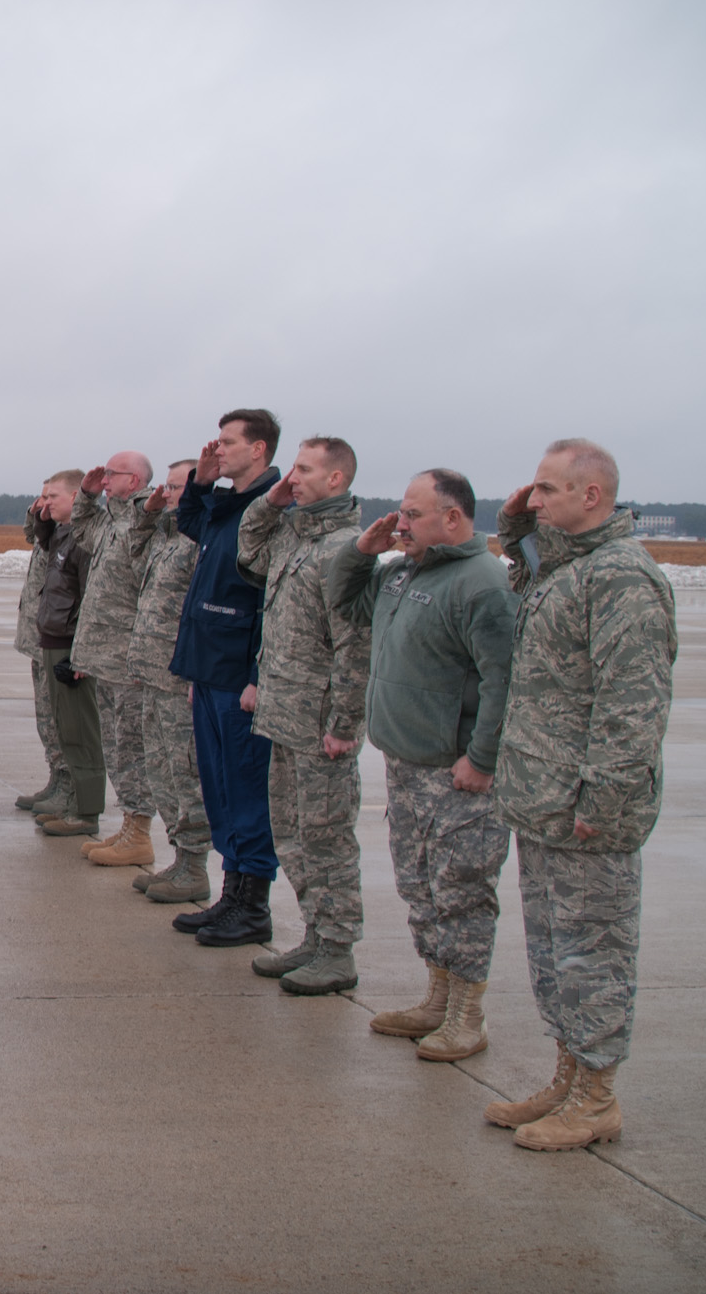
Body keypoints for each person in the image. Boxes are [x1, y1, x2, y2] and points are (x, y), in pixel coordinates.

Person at [486, 439, 676, 1151]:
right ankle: (567, 1074)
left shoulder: (622, 578)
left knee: (593, 955)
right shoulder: (571, 569)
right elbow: (529, 566)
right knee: (553, 954)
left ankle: (598, 1095)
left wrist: (605, 803)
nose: (533, 501)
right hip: (543, 802)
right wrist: (519, 524)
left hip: (587, 813)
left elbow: (633, 705)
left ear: (590, 496)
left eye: (546, 490)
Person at [331, 468, 516, 1057]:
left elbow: (502, 681)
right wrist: (363, 550)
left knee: (460, 891)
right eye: (402, 513)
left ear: (453, 519)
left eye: (413, 514)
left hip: (456, 773)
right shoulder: (402, 572)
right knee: (420, 888)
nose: (400, 523)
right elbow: (346, 601)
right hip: (406, 764)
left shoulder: (483, 583)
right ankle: (437, 997)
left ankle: (467, 1014)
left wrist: (481, 758)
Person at [234, 437, 370, 992]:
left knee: (328, 839)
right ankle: (315, 936)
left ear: (336, 479)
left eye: (305, 469)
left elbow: (354, 648)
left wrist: (344, 725)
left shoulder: (344, 549)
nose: (294, 476)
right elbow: (248, 550)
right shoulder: (295, 535)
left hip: (319, 726)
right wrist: (271, 502)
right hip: (285, 716)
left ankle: (338, 949)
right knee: (292, 835)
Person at [169, 409, 281, 946]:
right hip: (209, 668)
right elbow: (191, 522)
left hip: (239, 674)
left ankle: (253, 906)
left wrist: (258, 676)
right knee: (218, 787)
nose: (219, 448)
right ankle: (230, 896)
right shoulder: (229, 505)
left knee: (244, 789)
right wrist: (202, 480)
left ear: (258, 449)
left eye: (229, 442)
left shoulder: (271, 510)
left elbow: (271, 604)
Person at [127, 460, 216, 903]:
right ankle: (180, 858)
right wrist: (151, 512)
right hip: (152, 673)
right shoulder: (168, 534)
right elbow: (131, 551)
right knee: (162, 773)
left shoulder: (201, 538)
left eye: (178, 485)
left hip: (178, 677)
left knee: (187, 775)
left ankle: (196, 865)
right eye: (168, 484)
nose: (169, 492)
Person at [67, 452, 158, 868]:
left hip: (128, 657)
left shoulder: (144, 522)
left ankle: (140, 831)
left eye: (111, 474)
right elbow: (80, 528)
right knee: (116, 746)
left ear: (134, 479)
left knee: (132, 747)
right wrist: (85, 495)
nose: (104, 480)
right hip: (105, 656)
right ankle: (127, 826)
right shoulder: (111, 523)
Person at [28, 469, 105, 838]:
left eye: (52, 497)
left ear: (76, 497)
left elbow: (91, 598)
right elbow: (43, 543)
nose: (45, 503)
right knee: (63, 727)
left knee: (79, 730)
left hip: (69, 644)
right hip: (53, 638)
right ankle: (73, 801)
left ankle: (86, 810)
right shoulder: (61, 534)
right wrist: (41, 518)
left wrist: (82, 653)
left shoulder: (84, 540)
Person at [14, 474, 77, 812]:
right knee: (46, 719)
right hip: (39, 640)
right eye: (41, 497)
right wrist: (37, 510)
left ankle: (69, 787)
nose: (44, 504)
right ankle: (57, 780)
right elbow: (30, 533)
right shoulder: (47, 532)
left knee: (60, 719)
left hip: (57, 640)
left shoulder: (69, 536)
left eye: (51, 496)